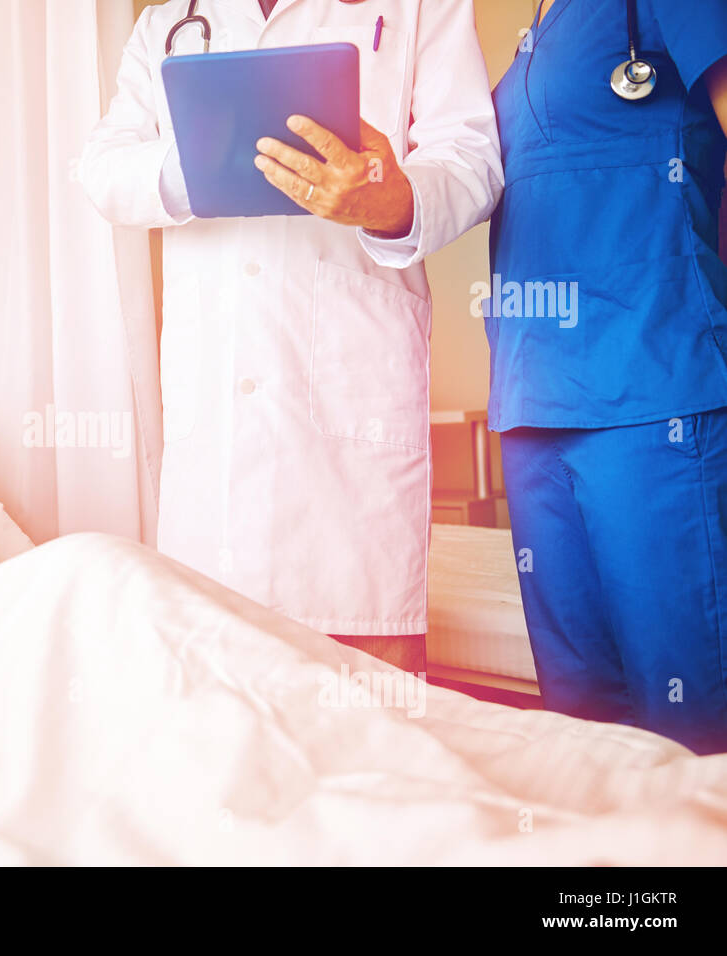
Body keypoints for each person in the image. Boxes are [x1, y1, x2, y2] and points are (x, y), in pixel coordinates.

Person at [79, 0, 503, 670]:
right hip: (213, 451)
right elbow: (102, 169)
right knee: (216, 705)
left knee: (369, 711)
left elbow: (473, 158)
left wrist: (392, 199)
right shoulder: (167, 24)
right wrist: (205, 159)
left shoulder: (421, 6)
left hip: (350, 451)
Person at [484, 0, 727, 754]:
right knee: (581, 731)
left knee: (691, 725)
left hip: (651, 389)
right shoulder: (540, 27)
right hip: (531, 405)